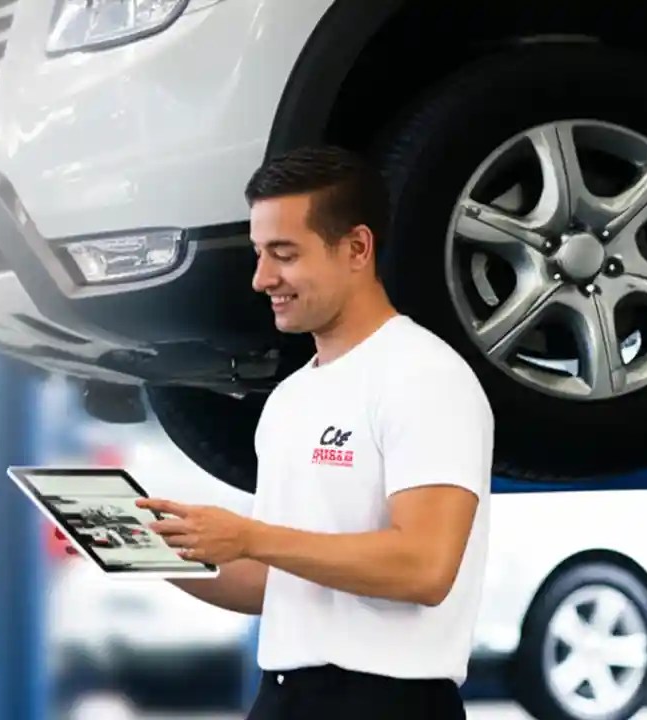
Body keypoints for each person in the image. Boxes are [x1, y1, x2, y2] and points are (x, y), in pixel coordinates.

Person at [135, 145, 494, 719]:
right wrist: (146, 551)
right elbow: (268, 584)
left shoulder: (425, 377)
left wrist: (251, 536)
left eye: (284, 254)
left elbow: (426, 567)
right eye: (258, 254)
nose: (261, 278)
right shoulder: (291, 399)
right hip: (283, 697)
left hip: (387, 703)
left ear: (356, 248)